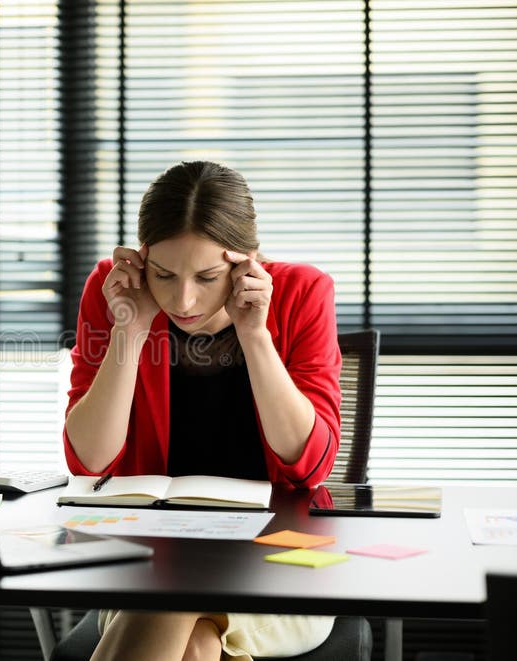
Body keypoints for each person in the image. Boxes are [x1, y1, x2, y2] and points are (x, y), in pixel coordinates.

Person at [63, 161, 342, 661]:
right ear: (141, 258)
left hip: (284, 559)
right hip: (149, 557)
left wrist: (254, 334)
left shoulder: (303, 291)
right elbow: (89, 460)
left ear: (246, 263)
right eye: (164, 274)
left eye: (207, 276)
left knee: (173, 596)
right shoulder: (115, 290)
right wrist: (130, 328)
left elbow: (309, 465)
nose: (183, 298)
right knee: (190, 630)